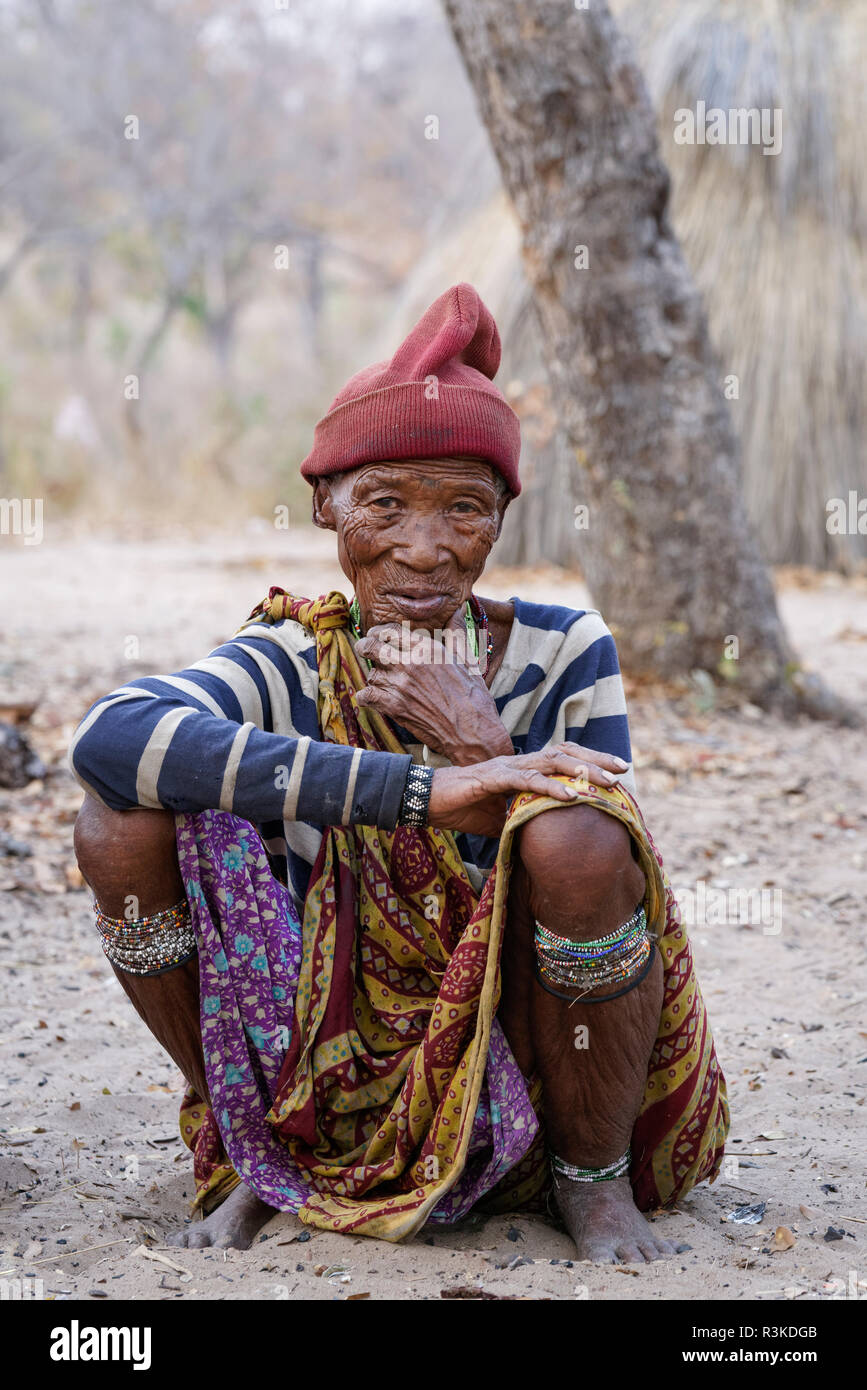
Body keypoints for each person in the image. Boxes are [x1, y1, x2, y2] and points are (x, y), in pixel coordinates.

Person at [70, 283, 728, 1261]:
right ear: (325, 504)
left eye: (464, 506)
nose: (423, 549)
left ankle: (590, 1182)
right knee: (114, 824)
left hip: (537, 1051)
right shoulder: (291, 655)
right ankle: (259, 1144)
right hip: (325, 1065)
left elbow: (606, 873)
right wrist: (423, 790)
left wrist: (480, 747)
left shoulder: (562, 647)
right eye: (385, 503)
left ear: (503, 514)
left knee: (575, 831)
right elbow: (110, 739)